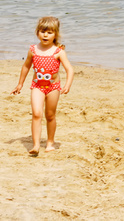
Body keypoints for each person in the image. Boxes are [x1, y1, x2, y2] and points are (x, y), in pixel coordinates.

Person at [12, 16, 74, 156]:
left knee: (50, 115)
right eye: (42, 31)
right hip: (37, 86)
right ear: (37, 32)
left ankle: (50, 143)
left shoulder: (58, 52)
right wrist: (20, 84)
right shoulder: (33, 50)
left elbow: (69, 69)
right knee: (36, 113)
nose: (45, 35)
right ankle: (35, 145)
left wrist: (67, 85)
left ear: (55, 34)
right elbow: (26, 66)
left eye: (49, 32)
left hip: (53, 87)